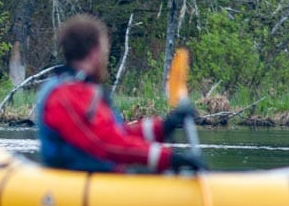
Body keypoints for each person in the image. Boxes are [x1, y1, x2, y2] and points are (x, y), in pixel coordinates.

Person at [35, 14, 206, 173]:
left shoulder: (80, 90)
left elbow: (116, 134)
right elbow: (105, 143)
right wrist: (169, 158)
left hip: (99, 180)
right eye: (104, 50)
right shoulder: (66, 96)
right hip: (77, 185)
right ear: (94, 52)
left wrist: (164, 126)